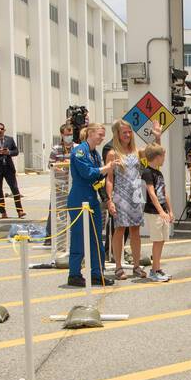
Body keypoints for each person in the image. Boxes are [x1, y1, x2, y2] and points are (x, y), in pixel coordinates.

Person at [63, 121, 116, 288]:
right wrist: (106, 168)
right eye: (100, 134)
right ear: (91, 133)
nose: (102, 138)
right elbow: (87, 173)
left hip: (92, 198)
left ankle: (96, 273)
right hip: (79, 199)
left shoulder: (95, 154)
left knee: (95, 238)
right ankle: (74, 274)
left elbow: (98, 179)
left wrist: (107, 199)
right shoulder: (80, 151)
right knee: (79, 237)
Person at [106, 118, 147, 280]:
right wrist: (109, 200)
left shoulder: (137, 151)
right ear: (117, 134)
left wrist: (157, 137)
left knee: (136, 229)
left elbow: (155, 152)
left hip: (136, 194)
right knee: (120, 229)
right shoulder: (112, 154)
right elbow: (109, 179)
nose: (128, 135)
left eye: (129, 132)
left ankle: (136, 266)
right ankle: (118, 267)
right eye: (124, 132)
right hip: (120, 195)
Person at [140, 143, 173, 282]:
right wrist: (160, 211)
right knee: (157, 240)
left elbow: (164, 193)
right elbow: (152, 193)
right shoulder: (147, 172)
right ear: (157, 157)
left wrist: (170, 210)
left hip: (162, 211)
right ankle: (154, 271)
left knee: (162, 240)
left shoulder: (159, 173)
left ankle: (157, 268)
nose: (164, 159)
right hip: (154, 212)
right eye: (163, 156)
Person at [0, 121, 24, 218]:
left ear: (4, 130)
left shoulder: (10, 140)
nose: (0, 131)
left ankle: (20, 211)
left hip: (9, 168)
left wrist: (9, 152)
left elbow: (16, 151)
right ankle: (3, 212)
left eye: (2, 129)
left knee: (14, 189)